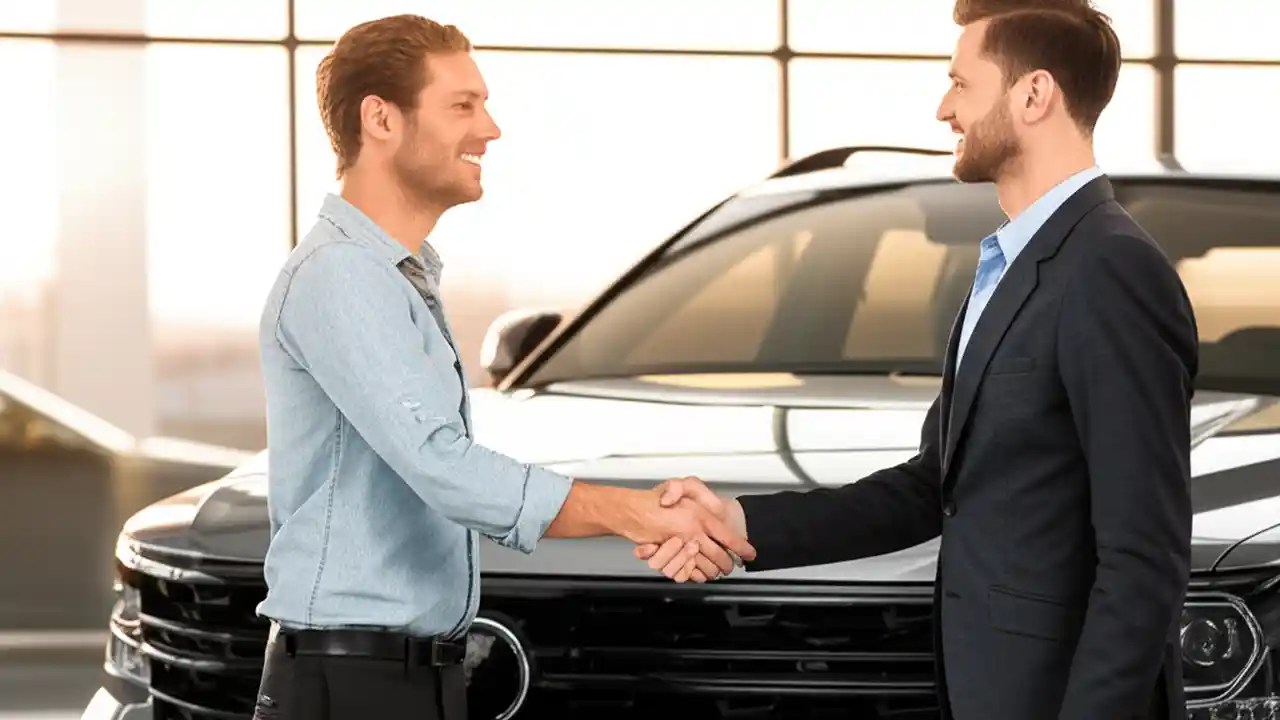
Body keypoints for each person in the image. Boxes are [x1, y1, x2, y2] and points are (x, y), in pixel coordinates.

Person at [637, 1, 1198, 718]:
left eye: (961, 84)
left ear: (1034, 95)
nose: (943, 109)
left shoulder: (1111, 269)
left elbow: (1145, 557)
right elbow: (932, 487)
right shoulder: (1010, 267)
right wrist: (737, 521)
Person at [249, 14, 752, 720]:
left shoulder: (399, 278)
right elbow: (441, 466)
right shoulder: (341, 277)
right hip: (354, 685)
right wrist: (633, 512)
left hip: (402, 677)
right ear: (380, 119)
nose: (490, 130)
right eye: (463, 105)